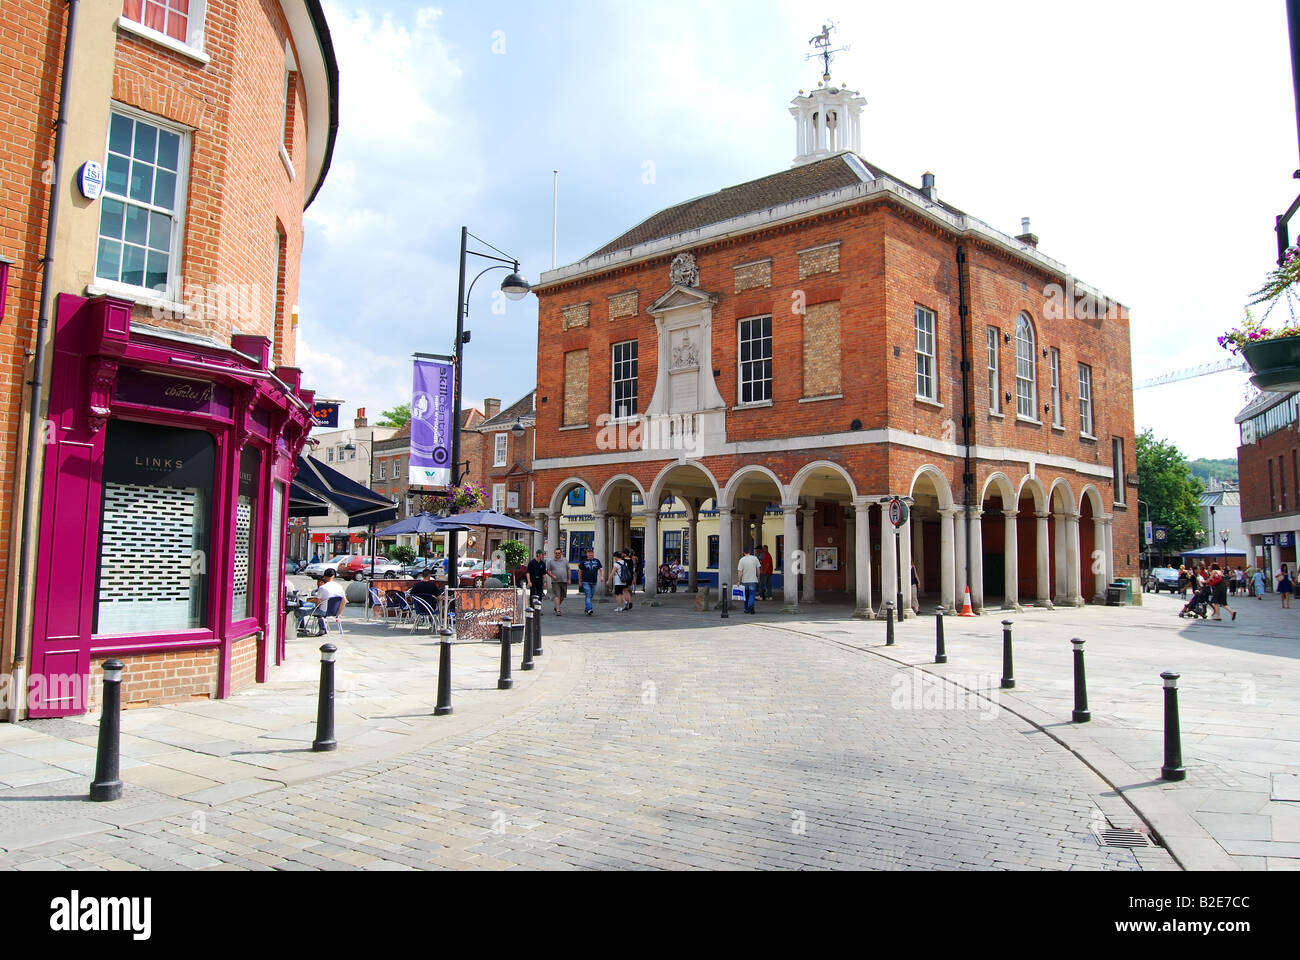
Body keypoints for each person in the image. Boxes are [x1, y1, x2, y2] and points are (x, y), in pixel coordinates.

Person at [299, 569, 345, 635]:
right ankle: (322, 629)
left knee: (300, 611)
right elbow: (344, 601)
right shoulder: (339, 587)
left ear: (324, 576)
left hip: (323, 611)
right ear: (333, 576)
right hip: (334, 612)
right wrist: (339, 613)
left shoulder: (323, 587)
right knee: (319, 612)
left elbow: (317, 602)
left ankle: (299, 630)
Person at [736, 545, 762, 615]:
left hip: (744, 581)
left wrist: (739, 580)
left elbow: (740, 572)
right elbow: (758, 569)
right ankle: (751, 605)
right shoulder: (755, 558)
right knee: (752, 594)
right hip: (753, 580)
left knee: (745, 595)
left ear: (744, 552)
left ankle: (746, 609)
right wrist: (758, 577)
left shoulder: (741, 560)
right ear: (750, 552)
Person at [579, 548, 605, 616]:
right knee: (588, 595)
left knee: (591, 596)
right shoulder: (583, 561)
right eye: (589, 553)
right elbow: (580, 572)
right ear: (587, 554)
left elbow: (601, 569)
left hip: (594, 581)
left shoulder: (597, 561)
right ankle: (590, 609)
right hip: (585, 581)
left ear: (593, 554)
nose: (590, 554)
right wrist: (580, 581)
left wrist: (602, 576)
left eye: (591, 553)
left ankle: (587, 609)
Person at [546, 548, 570, 615]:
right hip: (555, 581)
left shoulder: (565, 560)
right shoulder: (551, 561)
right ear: (554, 553)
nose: (557, 554)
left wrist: (569, 579)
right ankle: (558, 610)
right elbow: (547, 571)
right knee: (557, 595)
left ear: (561, 553)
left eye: (559, 553)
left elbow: (568, 569)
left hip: (564, 580)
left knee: (562, 596)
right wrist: (552, 576)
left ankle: (556, 606)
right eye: (556, 553)